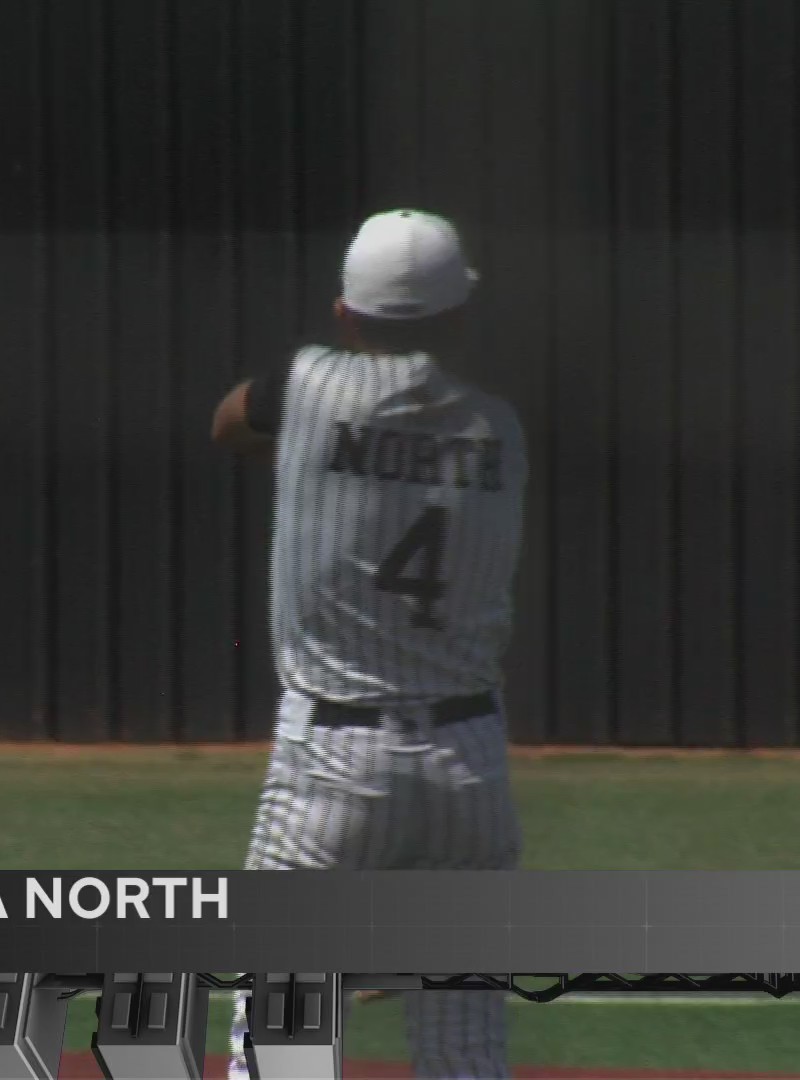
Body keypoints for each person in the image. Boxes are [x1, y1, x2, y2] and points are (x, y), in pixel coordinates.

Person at [209, 209, 529, 1080]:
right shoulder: (501, 427)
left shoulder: (309, 383)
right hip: (469, 762)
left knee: (282, 1047)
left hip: (333, 760)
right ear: (462, 317)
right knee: (465, 1049)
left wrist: (312, 457)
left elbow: (229, 424)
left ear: (345, 314)